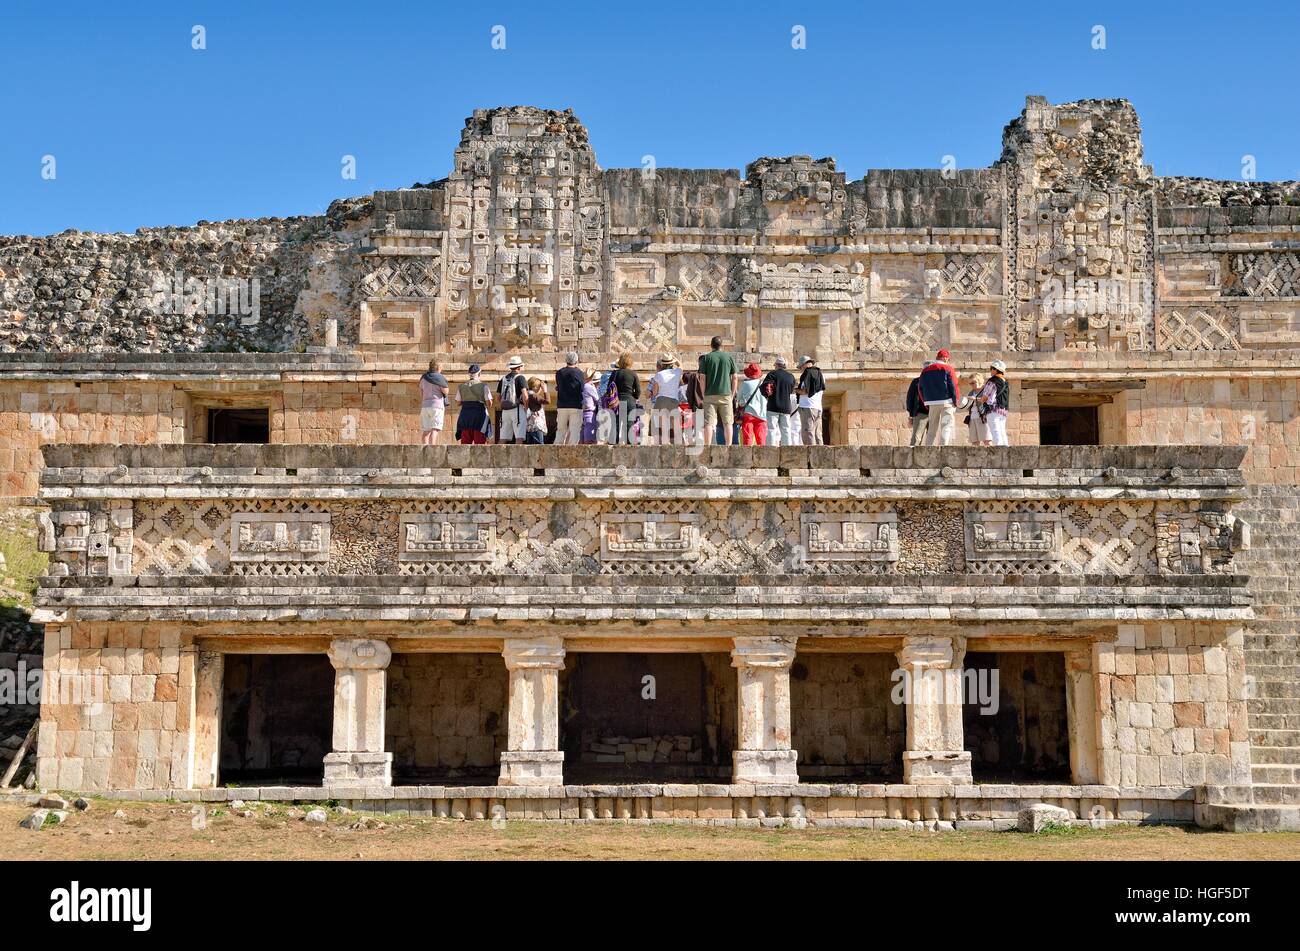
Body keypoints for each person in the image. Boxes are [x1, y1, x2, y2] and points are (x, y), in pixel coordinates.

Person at [697, 336, 738, 445]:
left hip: (709, 394)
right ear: (721, 345)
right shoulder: (728, 357)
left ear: (711, 345)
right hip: (725, 394)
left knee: (708, 423)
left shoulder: (706, 358)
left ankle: (708, 446)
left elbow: (702, 378)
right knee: (728, 423)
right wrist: (732, 394)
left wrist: (703, 393)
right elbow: (734, 378)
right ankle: (728, 446)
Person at [918, 348, 961, 446]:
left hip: (932, 403)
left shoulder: (925, 370)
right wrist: (956, 401)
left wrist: (925, 402)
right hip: (947, 402)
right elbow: (954, 386)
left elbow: (920, 388)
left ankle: (928, 448)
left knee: (932, 428)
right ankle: (943, 448)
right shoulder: (948, 369)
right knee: (946, 426)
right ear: (945, 358)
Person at [647, 354, 683, 445]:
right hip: (674, 401)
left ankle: (663, 444)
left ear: (662, 364)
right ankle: (681, 444)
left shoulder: (659, 374)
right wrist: (675, 359)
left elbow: (655, 392)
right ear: (671, 363)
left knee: (661, 425)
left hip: (662, 400)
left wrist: (652, 393)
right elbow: (681, 365)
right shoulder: (677, 372)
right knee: (675, 425)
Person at [761, 356, 796, 446]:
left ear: (776, 365)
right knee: (786, 429)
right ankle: (787, 448)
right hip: (786, 406)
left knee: (771, 429)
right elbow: (792, 390)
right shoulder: (791, 377)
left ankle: (771, 449)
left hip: (773, 405)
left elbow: (763, 388)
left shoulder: (771, 374)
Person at [455, 364, 494, 445]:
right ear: (479, 374)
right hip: (479, 418)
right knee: (480, 445)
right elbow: (489, 403)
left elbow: (458, 402)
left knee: (465, 445)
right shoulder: (484, 386)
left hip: (465, 418)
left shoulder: (461, 386)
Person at [976, 359, 1011, 446]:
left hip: (993, 410)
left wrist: (976, 399)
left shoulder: (992, 381)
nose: (990, 370)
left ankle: (999, 450)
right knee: (1002, 431)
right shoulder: (1005, 382)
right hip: (1003, 410)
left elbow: (985, 397)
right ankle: (1006, 450)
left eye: (991, 368)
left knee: (995, 431)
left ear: (995, 369)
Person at [554, 351, 585, 445]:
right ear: (576, 360)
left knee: (560, 429)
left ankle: (557, 447)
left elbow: (558, 386)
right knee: (575, 429)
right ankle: (573, 449)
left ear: (566, 360)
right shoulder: (579, 373)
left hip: (562, 404)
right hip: (575, 405)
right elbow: (582, 388)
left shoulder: (559, 373)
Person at [611, 353, 641, 445]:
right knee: (629, 423)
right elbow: (638, 391)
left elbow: (610, 387)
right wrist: (634, 397)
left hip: (618, 400)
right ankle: (630, 443)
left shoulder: (615, 373)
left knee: (616, 422)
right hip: (630, 400)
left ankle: (614, 442)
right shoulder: (633, 374)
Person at [496, 356, 528, 444]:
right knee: (519, 437)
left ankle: (498, 456)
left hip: (505, 411)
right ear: (518, 367)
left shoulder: (503, 379)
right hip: (517, 409)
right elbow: (525, 395)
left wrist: (505, 404)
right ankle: (518, 457)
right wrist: (526, 407)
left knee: (503, 437)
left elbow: (498, 397)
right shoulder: (520, 378)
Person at [796, 355, 826, 445]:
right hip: (818, 407)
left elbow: (805, 391)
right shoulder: (820, 374)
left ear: (804, 365)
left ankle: (809, 456)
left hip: (807, 407)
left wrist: (795, 390)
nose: (801, 369)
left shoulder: (807, 373)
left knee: (807, 432)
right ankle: (821, 455)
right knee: (817, 433)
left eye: (800, 367)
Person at [736, 362, 768, 446]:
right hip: (762, 414)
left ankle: (747, 457)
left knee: (748, 438)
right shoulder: (764, 384)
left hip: (748, 413)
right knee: (761, 440)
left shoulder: (745, 384)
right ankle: (762, 457)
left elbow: (738, 399)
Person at [418, 360, 448, 445]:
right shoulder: (440, 377)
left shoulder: (423, 377)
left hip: (425, 406)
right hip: (437, 406)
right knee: (435, 429)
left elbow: (421, 392)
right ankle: (432, 450)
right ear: (438, 367)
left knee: (426, 431)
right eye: (441, 367)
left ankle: (425, 451)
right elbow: (445, 391)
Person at [958, 373, 990, 445]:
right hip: (972, 418)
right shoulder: (971, 392)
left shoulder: (986, 390)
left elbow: (989, 400)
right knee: (974, 441)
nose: (971, 385)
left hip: (982, 417)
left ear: (979, 381)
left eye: (973, 382)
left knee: (986, 440)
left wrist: (975, 399)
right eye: (970, 383)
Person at [523, 376, 548, 445]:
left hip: (529, 425)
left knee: (530, 446)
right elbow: (547, 401)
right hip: (536, 425)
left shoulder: (527, 394)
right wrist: (545, 390)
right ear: (535, 387)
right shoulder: (534, 396)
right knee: (540, 445)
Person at [905, 373, 926, 447]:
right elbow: (910, 398)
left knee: (918, 438)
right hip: (920, 413)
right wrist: (911, 415)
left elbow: (909, 398)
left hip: (932, 412)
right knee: (916, 438)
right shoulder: (916, 381)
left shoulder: (917, 381)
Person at [580, 369, 601, 444]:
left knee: (582, 439)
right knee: (590, 440)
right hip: (590, 413)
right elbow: (598, 400)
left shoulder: (581, 386)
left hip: (581, 413)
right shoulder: (589, 387)